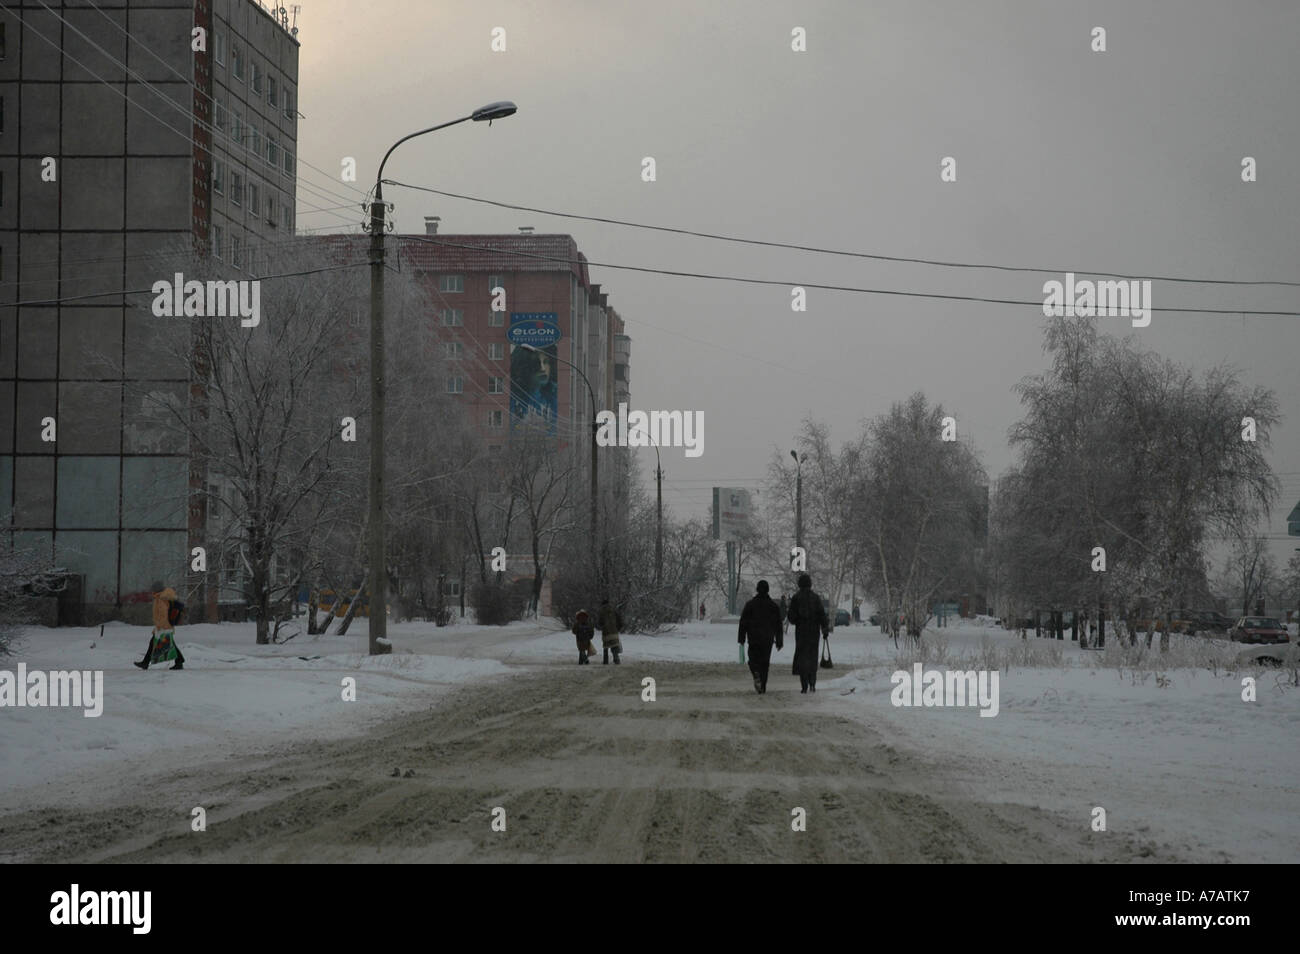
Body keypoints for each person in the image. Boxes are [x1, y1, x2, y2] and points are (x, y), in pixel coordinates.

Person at [738, 580, 782, 694]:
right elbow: (778, 625)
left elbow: (743, 623)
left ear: (757, 589)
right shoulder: (773, 606)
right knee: (765, 663)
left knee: (753, 660)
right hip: (767, 639)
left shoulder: (750, 605)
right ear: (768, 590)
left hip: (754, 638)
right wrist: (779, 641)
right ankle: (762, 686)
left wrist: (741, 638)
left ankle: (755, 673)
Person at [787, 574, 828, 693]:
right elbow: (822, 615)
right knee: (812, 656)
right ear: (810, 583)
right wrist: (824, 629)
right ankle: (812, 684)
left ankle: (804, 686)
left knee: (802, 658)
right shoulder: (816, 598)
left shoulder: (796, 598)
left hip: (801, 633)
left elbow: (791, 618)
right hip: (814, 633)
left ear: (799, 584)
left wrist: (798, 619)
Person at [134, 581, 185, 671]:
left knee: (158, 643)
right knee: (166, 643)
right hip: (164, 626)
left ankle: (145, 663)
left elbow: (162, 614)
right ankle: (179, 661)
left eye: (153, 589)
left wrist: (161, 627)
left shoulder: (162, 599)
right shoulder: (161, 597)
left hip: (164, 626)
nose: (151, 591)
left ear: (157, 590)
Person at [598, 598, 624, 665]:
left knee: (605, 647)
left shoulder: (602, 611)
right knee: (614, 646)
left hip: (606, 632)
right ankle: (616, 659)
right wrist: (618, 628)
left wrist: (602, 626)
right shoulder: (614, 610)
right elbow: (619, 619)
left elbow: (600, 622)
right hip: (614, 631)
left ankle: (605, 661)